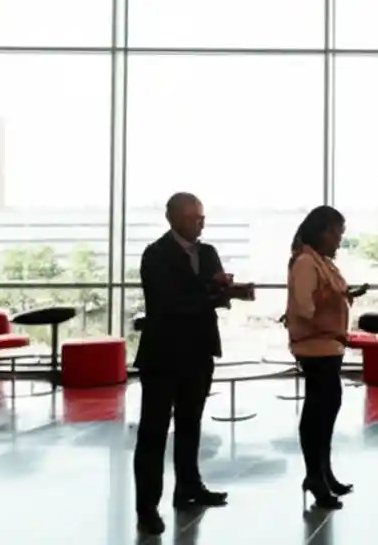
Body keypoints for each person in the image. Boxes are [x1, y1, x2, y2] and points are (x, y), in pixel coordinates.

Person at [134, 192, 253, 536]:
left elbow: (212, 297)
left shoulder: (208, 252)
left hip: (199, 351)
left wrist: (227, 292)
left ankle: (188, 487)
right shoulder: (156, 254)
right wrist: (211, 292)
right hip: (163, 354)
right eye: (192, 217)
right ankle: (147, 507)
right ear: (172, 218)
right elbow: (169, 301)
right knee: (153, 432)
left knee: (190, 424)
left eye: (202, 217)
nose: (200, 223)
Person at [285, 206, 358, 511]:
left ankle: (323, 473)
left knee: (326, 411)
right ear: (323, 231)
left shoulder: (321, 262)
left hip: (329, 347)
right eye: (337, 233)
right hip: (315, 348)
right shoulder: (305, 263)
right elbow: (306, 308)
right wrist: (333, 307)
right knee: (318, 413)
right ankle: (315, 476)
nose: (339, 240)